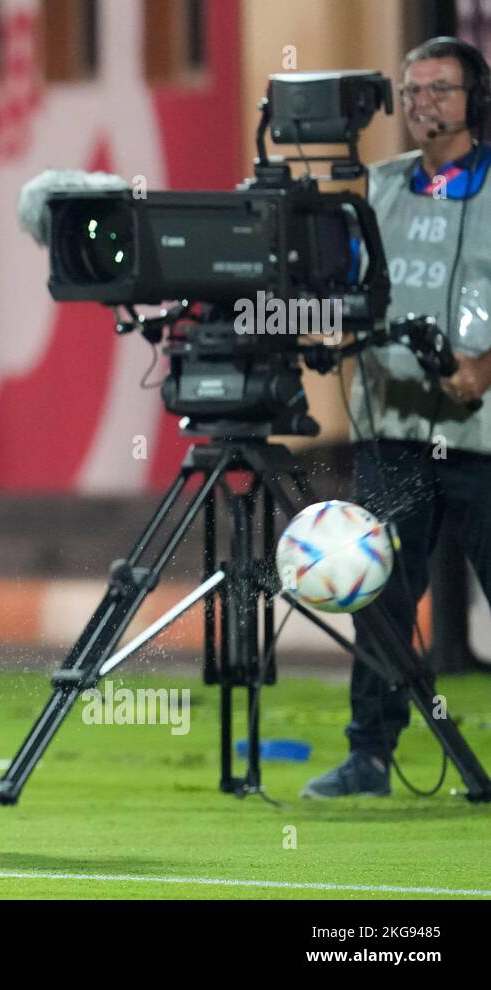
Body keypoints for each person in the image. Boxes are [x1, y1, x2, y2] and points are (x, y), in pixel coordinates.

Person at [304, 37, 491, 798]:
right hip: (392, 435)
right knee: (376, 593)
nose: (422, 105)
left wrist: (482, 370)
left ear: (475, 99)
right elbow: (340, 296)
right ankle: (370, 756)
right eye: (411, 91)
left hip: (480, 438)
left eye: (440, 90)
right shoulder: (374, 190)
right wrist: (326, 328)